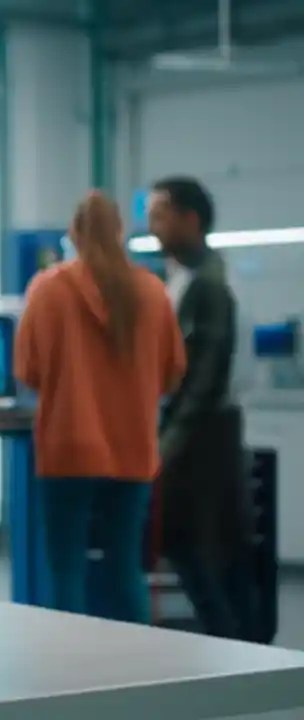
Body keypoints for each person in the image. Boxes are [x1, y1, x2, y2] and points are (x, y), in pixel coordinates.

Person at [15, 191, 186, 624]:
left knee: (66, 567)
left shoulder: (48, 289)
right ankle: (139, 665)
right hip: (133, 449)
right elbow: (173, 372)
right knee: (124, 565)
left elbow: (27, 369)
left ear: (73, 233)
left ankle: (71, 669)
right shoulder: (153, 291)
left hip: (67, 449)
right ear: (121, 232)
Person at [148, 176, 255, 639]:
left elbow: (204, 379)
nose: (152, 226)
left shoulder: (209, 283)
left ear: (191, 219)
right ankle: (236, 644)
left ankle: (235, 647)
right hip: (196, 428)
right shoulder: (183, 278)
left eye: (160, 215)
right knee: (201, 544)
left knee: (196, 544)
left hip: (204, 433)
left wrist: (166, 446)